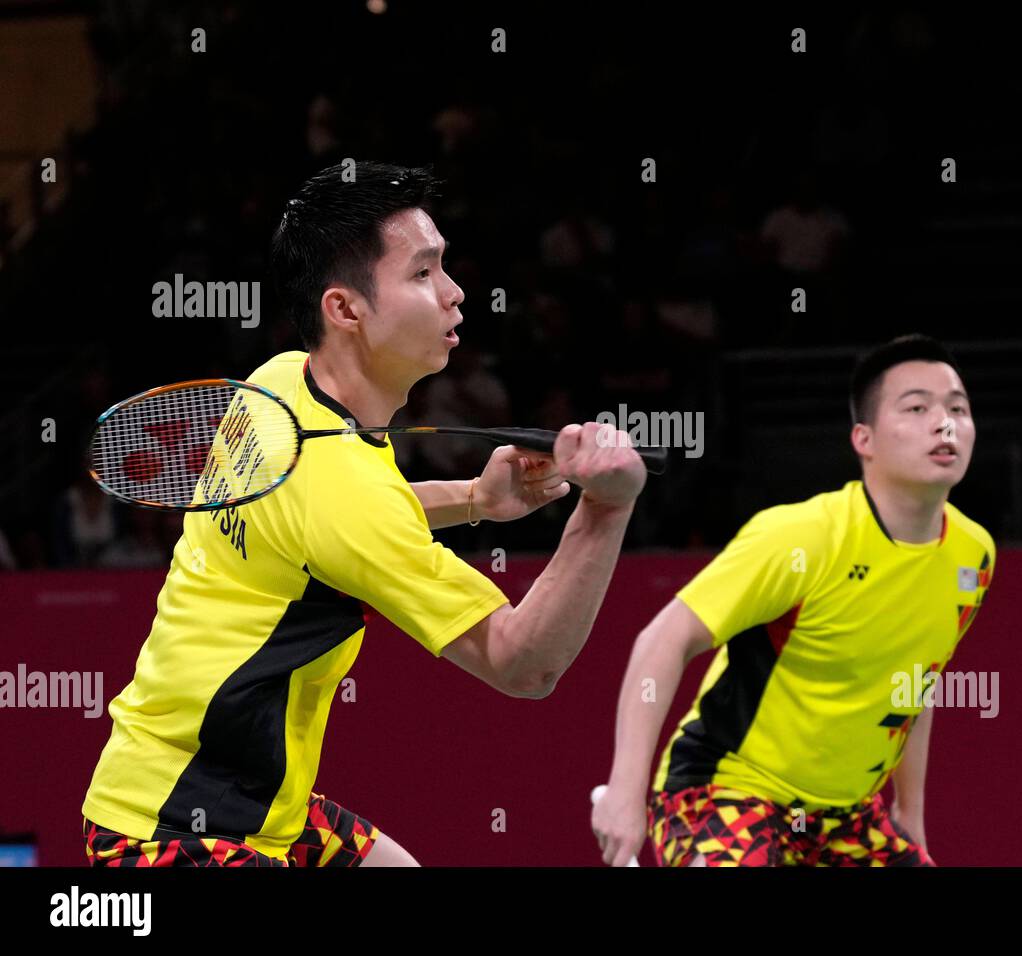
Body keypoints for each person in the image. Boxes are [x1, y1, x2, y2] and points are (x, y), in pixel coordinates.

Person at [82, 161, 646, 867]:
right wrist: (606, 509)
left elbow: (313, 529)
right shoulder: (341, 491)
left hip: (230, 791)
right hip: (180, 832)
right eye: (423, 273)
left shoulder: (280, 384)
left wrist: (474, 497)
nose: (455, 293)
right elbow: (523, 664)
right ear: (344, 309)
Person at [592, 334, 994, 866]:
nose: (944, 424)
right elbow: (663, 640)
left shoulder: (973, 554)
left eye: (957, 409)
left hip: (847, 816)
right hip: (726, 792)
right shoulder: (802, 537)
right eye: (917, 408)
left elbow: (917, 684)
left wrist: (910, 816)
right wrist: (625, 792)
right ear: (864, 439)